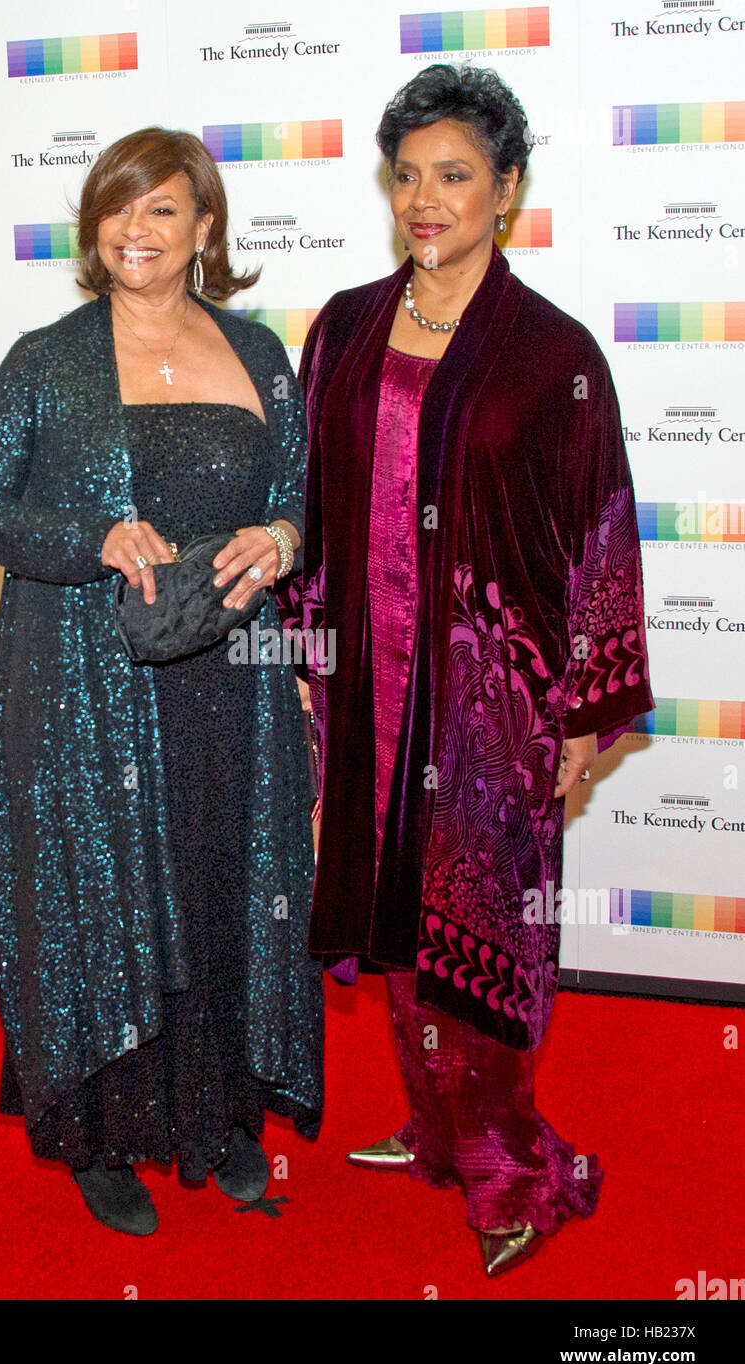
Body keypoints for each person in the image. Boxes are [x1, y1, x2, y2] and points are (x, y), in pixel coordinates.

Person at [280, 64, 653, 1275]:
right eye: (407, 176)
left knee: (479, 918)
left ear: (508, 186)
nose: (425, 201)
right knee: (394, 917)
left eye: (453, 176)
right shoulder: (341, 323)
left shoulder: (556, 354)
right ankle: (437, 1130)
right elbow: (309, 506)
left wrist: (587, 704)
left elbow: (601, 526)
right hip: (366, 694)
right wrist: (302, 647)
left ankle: (510, 1166)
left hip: (493, 699)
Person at [0, 127, 322, 1237]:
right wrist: (94, 534)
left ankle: (220, 1121)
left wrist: (288, 538)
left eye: (163, 209)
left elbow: (303, 495)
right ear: (92, 227)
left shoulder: (259, 354)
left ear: (205, 228)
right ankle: (105, 1136)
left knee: (223, 883)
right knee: (103, 900)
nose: (136, 231)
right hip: (83, 691)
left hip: (232, 692)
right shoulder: (45, 359)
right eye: (117, 208)